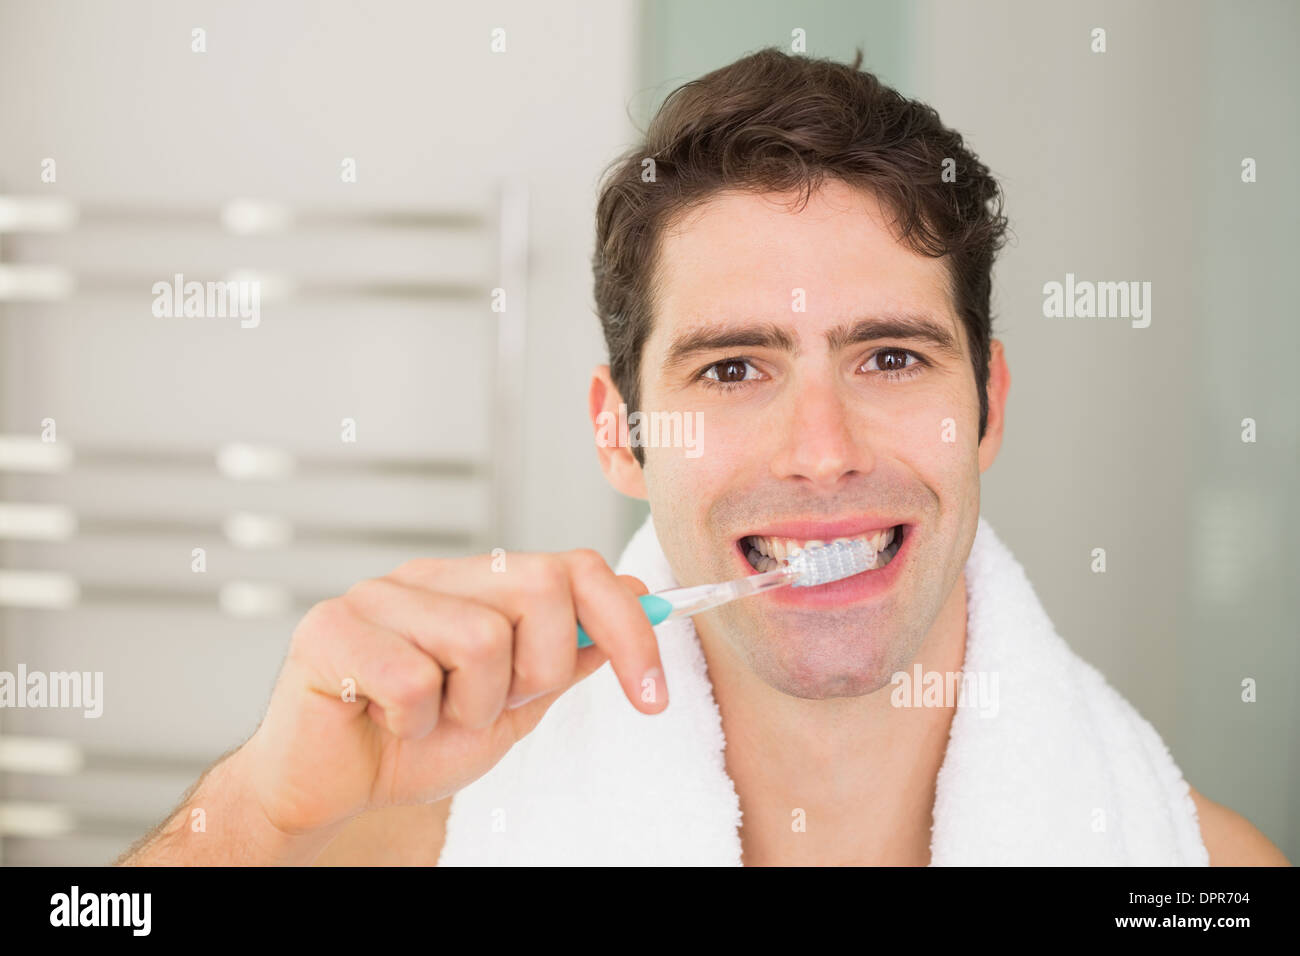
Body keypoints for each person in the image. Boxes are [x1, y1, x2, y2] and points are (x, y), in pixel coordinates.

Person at [118, 48, 1288, 867]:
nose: (821, 454)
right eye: (734, 367)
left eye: (888, 356)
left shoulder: (1192, 870)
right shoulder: (403, 842)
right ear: (619, 431)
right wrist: (258, 818)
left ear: (985, 408)